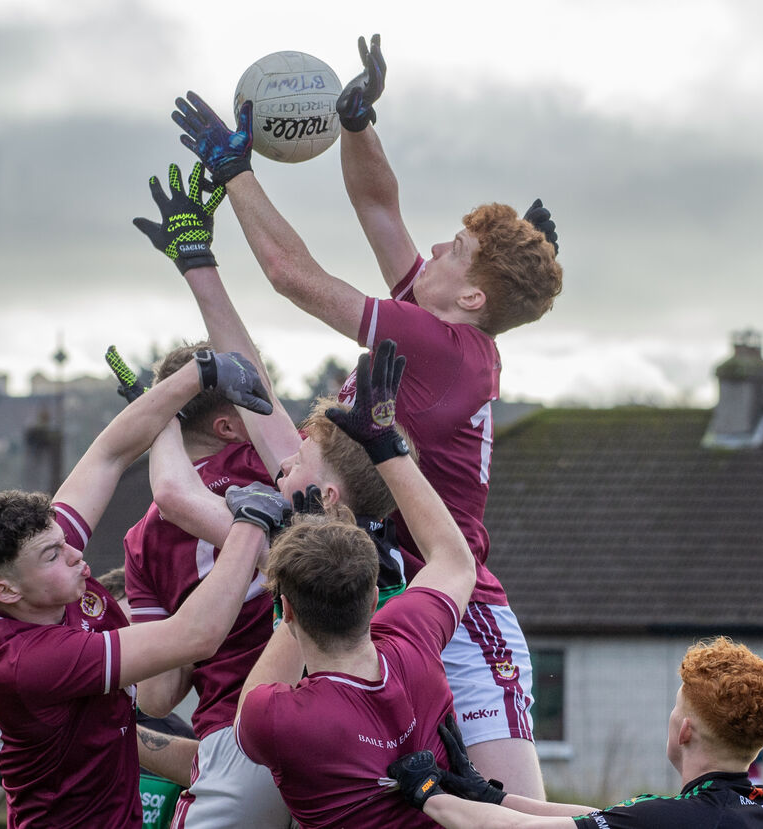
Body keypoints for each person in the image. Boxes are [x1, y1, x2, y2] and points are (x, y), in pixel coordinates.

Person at [171, 34, 563, 797]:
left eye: (458, 249)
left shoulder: (445, 345)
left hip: (454, 608)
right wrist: (356, 123)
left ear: (474, 298)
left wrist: (234, 174)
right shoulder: (440, 317)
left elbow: (294, 277)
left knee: (513, 814)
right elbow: (379, 206)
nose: (438, 247)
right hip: (380, 600)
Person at [126, 161, 413, 827]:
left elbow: (174, 491)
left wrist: (154, 411)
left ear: (330, 490)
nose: (275, 465)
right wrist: (198, 265)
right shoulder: (383, 553)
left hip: (256, 746)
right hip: (362, 750)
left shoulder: (290, 529)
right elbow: (253, 380)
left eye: (292, 462)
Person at [0, 349, 290, 828]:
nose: (76, 554)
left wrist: (197, 375)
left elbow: (109, 455)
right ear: (6, 591)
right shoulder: (30, 659)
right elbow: (198, 636)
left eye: (61, 540)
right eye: (53, 555)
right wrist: (251, 524)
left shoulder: (32, 586)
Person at [232, 341, 477, 828]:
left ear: (289, 608)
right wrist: (388, 446)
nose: (282, 466)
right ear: (372, 598)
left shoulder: (277, 719)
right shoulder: (411, 643)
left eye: (295, 461)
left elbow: (244, 717)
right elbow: (454, 559)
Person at [389, 636, 763, 828]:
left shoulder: (678, 819)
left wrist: (429, 795)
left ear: (685, 731)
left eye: (676, 709)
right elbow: (610, 819)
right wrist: (493, 796)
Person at [0, 565, 197, 829]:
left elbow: (225, 774)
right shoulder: (37, 728)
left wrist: (112, 732)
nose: (127, 649)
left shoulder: (179, 739)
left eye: (141, 636)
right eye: (117, 634)